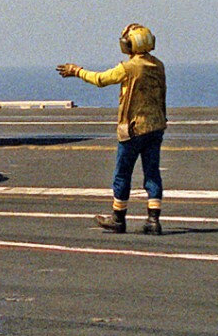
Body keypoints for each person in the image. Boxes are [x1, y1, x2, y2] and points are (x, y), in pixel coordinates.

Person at [57, 24, 167, 234]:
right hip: (156, 127)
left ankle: (118, 217)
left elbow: (101, 80)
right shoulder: (158, 65)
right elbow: (163, 94)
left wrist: (77, 71)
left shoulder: (129, 68)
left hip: (133, 129)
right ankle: (153, 221)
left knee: (122, 174)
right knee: (152, 174)